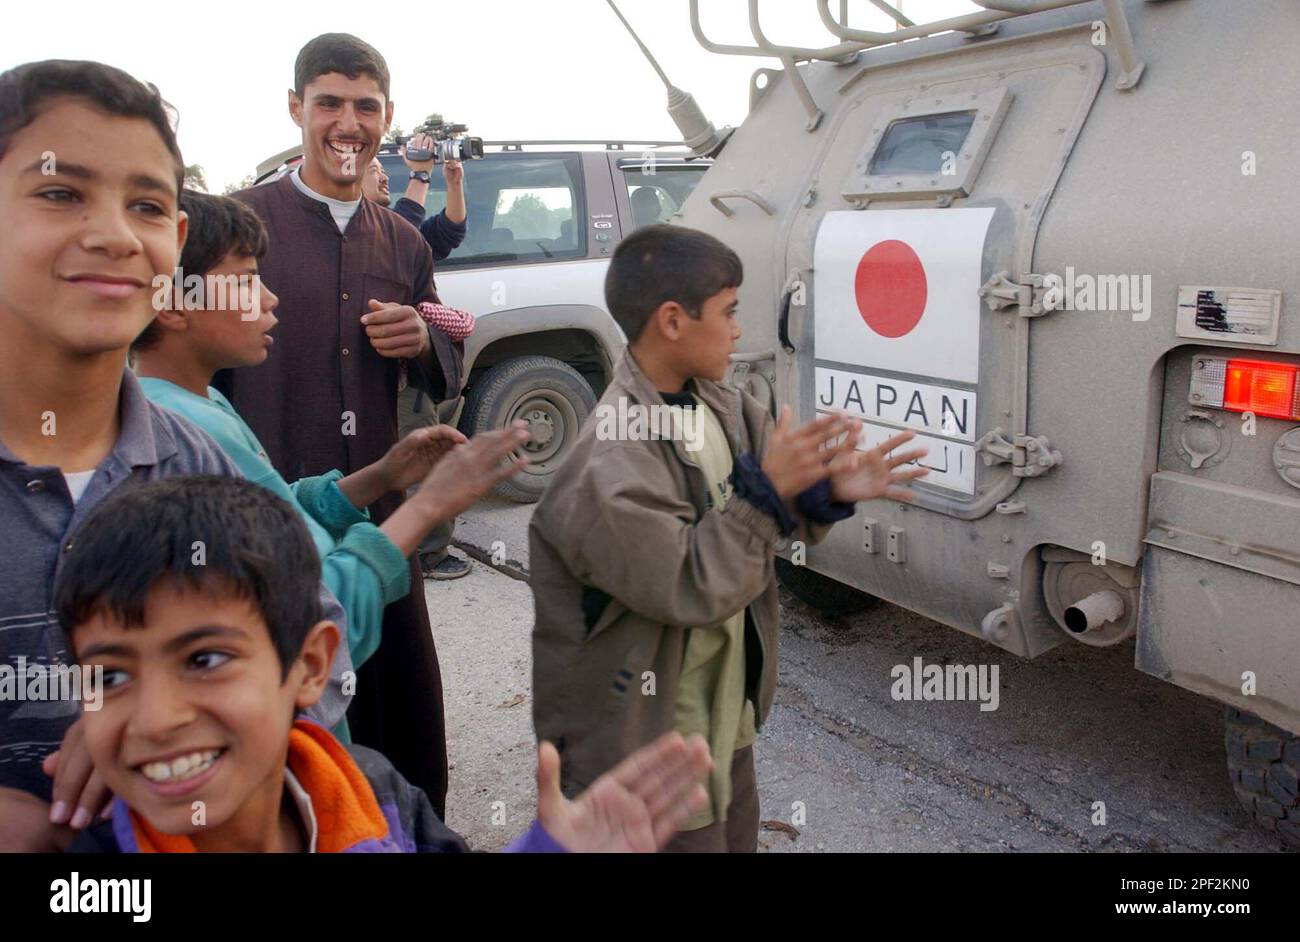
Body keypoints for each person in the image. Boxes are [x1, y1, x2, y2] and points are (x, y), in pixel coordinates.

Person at [0, 59, 354, 850]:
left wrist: (166, 725)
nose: (114, 235)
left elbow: (318, 657)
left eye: (148, 206)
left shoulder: (201, 463)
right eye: (61, 193)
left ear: (178, 240)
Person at [529, 224, 928, 853]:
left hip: (720, 717)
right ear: (672, 321)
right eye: (730, 311)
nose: (739, 329)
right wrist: (765, 496)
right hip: (649, 745)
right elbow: (690, 584)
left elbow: (769, 505)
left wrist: (829, 491)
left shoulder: (720, 404)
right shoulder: (609, 461)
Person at [56, 475, 714, 853]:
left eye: (203, 659)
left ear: (312, 665)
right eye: (109, 675)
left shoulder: (373, 794)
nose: (155, 717)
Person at [215, 32, 466, 814]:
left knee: (399, 709)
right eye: (329, 102)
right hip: (265, 517)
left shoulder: (404, 240)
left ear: (386, 117)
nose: (347, 123)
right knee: (285, 718)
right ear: (297, 108)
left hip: (380, 514)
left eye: (365, 106)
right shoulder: (236, 228)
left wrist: (424, 340)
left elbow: (447, 350)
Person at [132, 189, 527, 669]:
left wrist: (380, 477)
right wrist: (428, 506)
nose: (270, 298)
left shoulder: (202, 402)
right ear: (173, 304)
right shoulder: (180, 438)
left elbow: (273, 512)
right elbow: (308, 625)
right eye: (246, 282)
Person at [361, 151, 474, 579]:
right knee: (422, 460)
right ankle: (425, 552)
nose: (382, 177)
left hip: (412, 375)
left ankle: (424, 547)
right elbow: (404, 225)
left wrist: (453, 180)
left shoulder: (403, 234)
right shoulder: (372, 233)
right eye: (373, 171)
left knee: (428, 456)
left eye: (381, 170)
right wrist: (419, 174)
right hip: (389, 380)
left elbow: (448, 231)